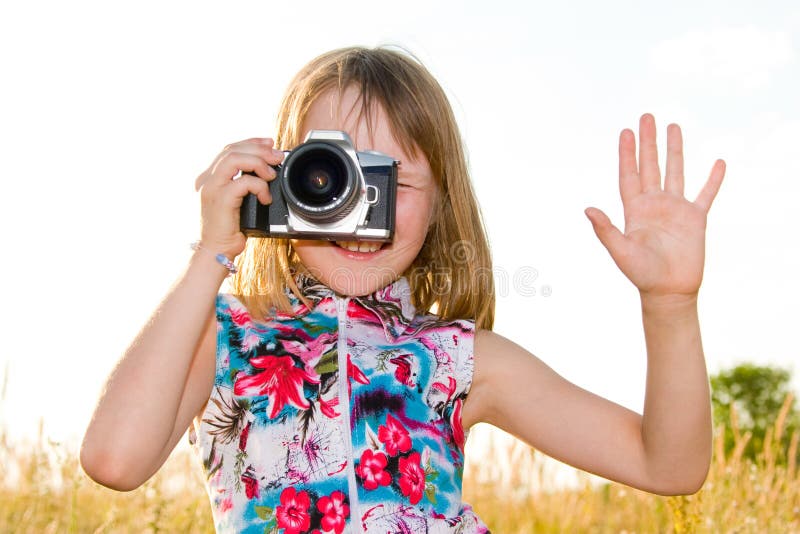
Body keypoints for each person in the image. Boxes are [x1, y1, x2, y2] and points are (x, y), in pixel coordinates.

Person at [80, 46, 725, 533]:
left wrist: (669, 305)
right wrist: (211, 257)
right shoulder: (222, 333)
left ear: (442, 202)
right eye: (330, 176)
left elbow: (668, 466)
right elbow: (114, 461)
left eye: (388, 182)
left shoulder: (461, 356)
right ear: (280, 178)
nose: (356, 207)